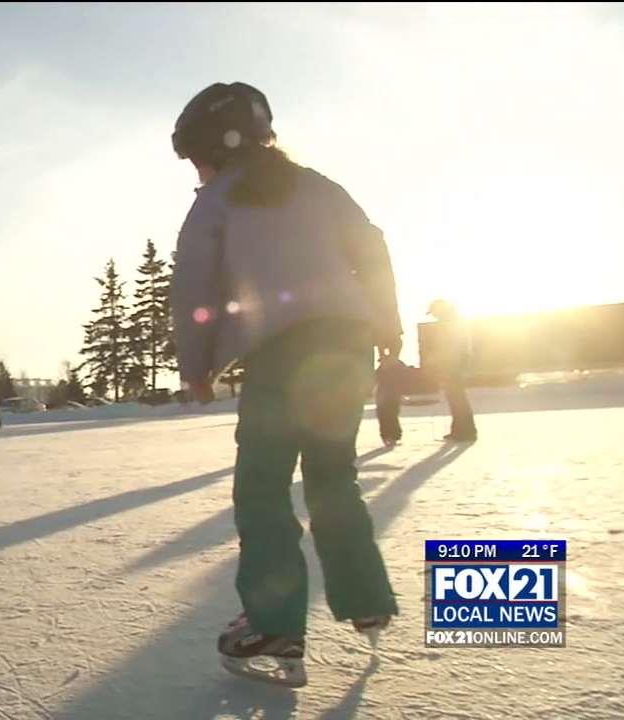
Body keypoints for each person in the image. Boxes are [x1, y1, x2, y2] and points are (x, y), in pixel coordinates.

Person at [169, 82, 401, 687]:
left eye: (196, 160)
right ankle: (367, 598)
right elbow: (372, 247)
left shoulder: (216, 202)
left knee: (264, 489)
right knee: (332, 476)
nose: (197, 173)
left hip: (281, 354)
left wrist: (197, 364)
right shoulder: (319, 187)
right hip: (348, 347)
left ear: (216, 149)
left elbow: (194, 291)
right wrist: (386, 320)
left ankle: (275, 626)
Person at [428, 299, 478, 442]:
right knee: (455, 398)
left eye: (434, 313)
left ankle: (466, 432)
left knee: (457, 398)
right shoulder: (453, 320)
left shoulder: (450, 323)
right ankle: (460, 431)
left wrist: (444, 363)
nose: (434, 316)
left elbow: (450, 346)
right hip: (454, 363)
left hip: (453, 364)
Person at [375, 354, 413, 447]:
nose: (382, 363)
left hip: (392, 396)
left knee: (391, 416)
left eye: (383, 361)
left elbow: (402, 381)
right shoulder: (382, 369)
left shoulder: (397, 369)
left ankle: (393, 436)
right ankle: (387, 436)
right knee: (384, 417)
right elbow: (376, 379)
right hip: (383, 396)